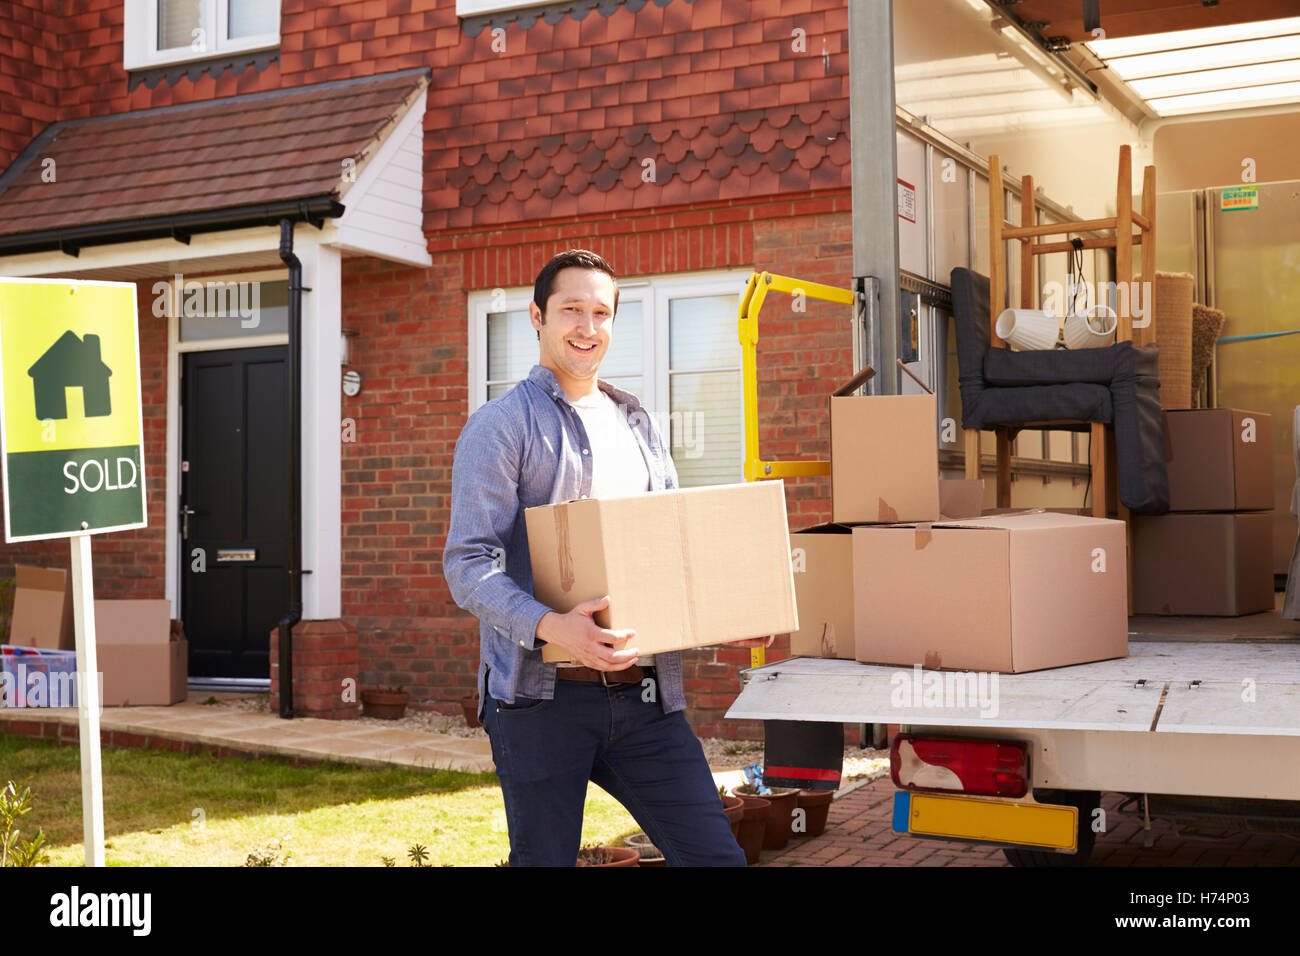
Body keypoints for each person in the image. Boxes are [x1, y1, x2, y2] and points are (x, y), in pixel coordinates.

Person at [443, 249, 767, 866]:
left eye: (601, 313)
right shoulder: (501, 426)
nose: (587, 327)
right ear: (536, 318)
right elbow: (468, 563)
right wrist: (553, 626)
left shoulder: (637, 423)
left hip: (644, 698)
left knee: (716, 857)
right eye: (571, 310)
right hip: (542, 702)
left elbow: (668, 546)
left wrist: (726, 613)